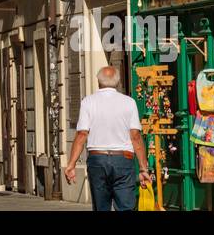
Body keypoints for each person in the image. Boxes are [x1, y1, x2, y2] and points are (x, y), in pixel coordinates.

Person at [64, 66, 150, 211]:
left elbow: (81, 134)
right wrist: (143, 168)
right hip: (123, 159)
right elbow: (135, 136)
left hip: (98, 160)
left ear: (98, 81)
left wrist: (71, 164)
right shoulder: (129, 102)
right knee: (125, 207)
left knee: (101, 207)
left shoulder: (88, 102)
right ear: (117, 82)